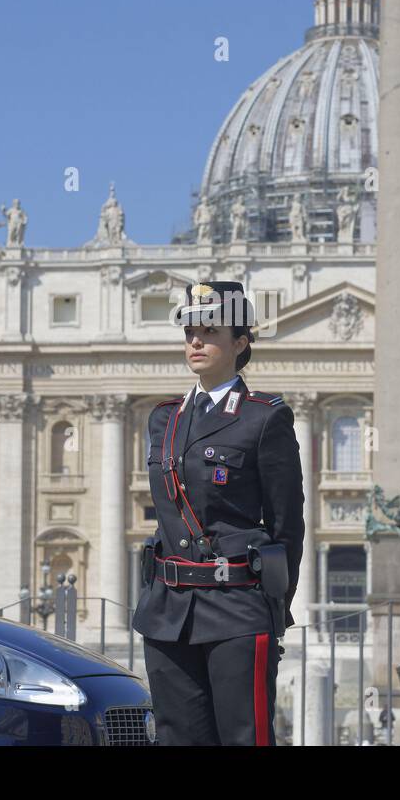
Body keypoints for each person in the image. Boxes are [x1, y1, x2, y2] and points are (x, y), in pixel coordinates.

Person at [131, 280, 305, 745]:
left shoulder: (264, 417)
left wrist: (274, 607)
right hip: (168, 610)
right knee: (176, 737)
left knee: (242, 737)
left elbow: (289, 526)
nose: (195, 341)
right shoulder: (164, 418)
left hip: (237, 610)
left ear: (241, 342)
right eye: (190, 331)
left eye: (209, 331)